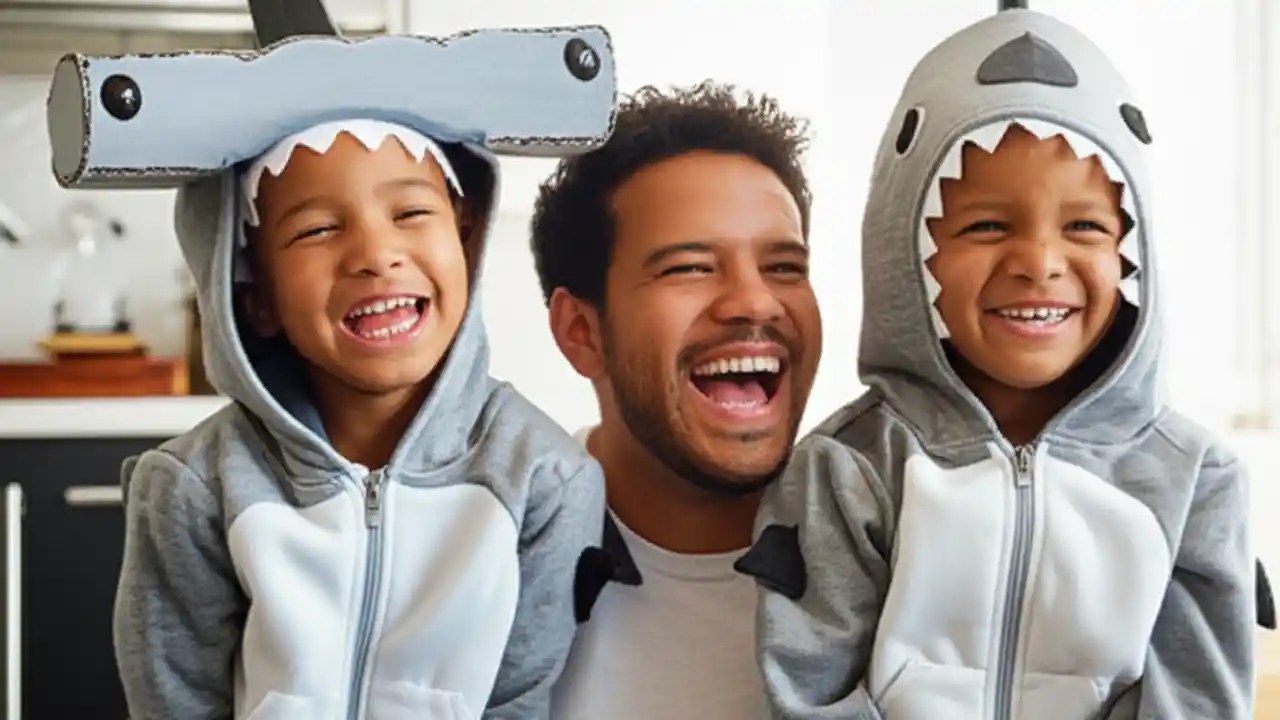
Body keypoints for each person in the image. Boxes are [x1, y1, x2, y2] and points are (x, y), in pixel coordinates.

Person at [54, 13, 618, 719]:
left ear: (466, 242)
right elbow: (174, 702)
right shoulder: (196, 488)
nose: (375, 255)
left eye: (410, 213)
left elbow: (521, 700)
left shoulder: (542, 478)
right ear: (255, 297)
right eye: (318, 229)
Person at [741, 8, 1256, 720]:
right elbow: (810, 692)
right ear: (908, 254)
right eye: (986, 225)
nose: (1040, 263)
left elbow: (1197, 700)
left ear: (1132, 253)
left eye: (1085, 226)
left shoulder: (1195, 481)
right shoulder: (845, 468)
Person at [530, 82, 823, 719]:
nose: (753, 302)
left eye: (784, 268)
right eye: (689, 267)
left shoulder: (897, 560)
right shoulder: (485, 570)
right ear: (582, 332)